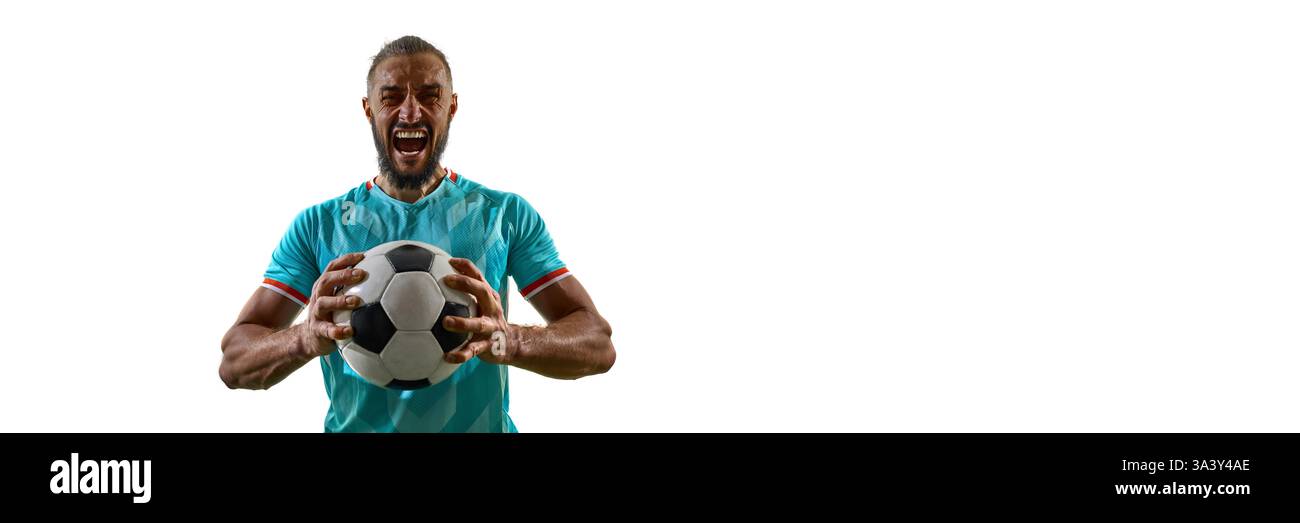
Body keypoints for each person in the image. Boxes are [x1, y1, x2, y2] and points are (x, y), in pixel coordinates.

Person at [218, 36, 615, 432]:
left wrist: (510, 340)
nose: (410, 112)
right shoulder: (319, 226)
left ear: (452, 108)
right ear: (368, 110)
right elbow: (235, 362)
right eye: (391, 97)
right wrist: (302, 339)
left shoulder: (502, 216)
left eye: (430, 96)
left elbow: (597, 344)